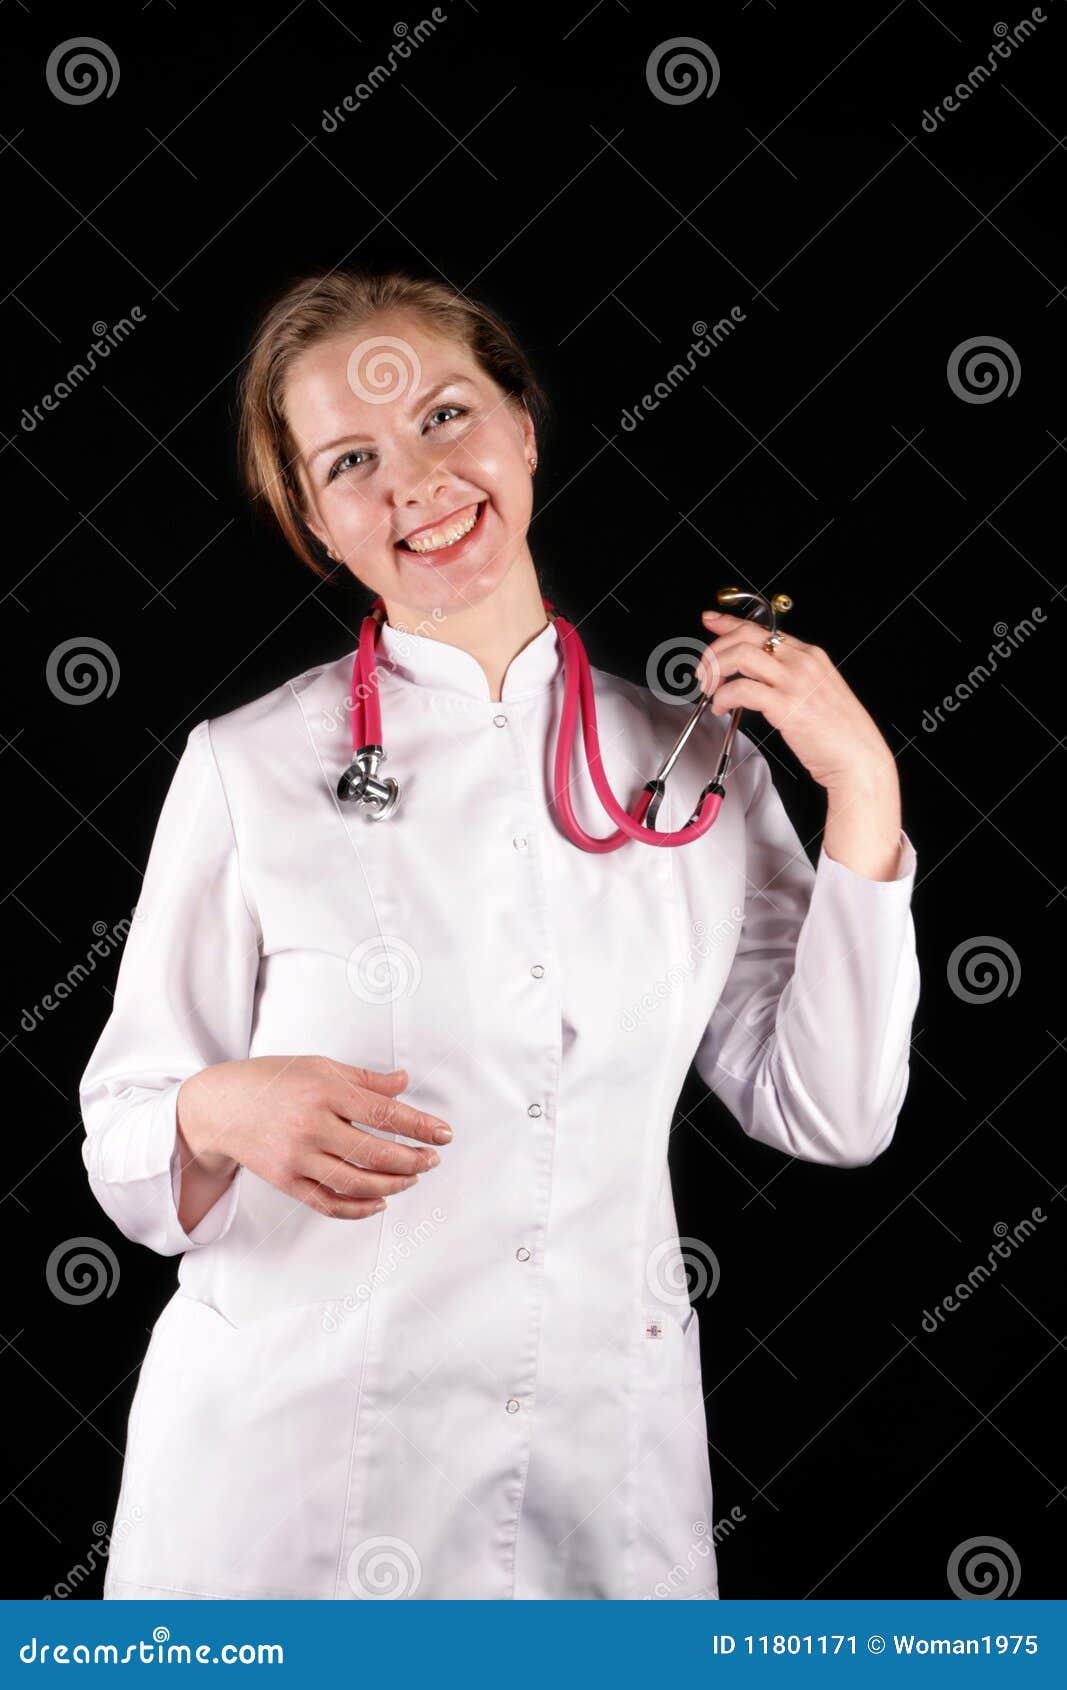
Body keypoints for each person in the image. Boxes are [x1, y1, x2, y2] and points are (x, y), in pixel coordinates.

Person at [79, 267, 920, 1601]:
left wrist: (864, 790)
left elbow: (831, 1109)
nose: (415, 479)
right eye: (352, 460)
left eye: (444, 415)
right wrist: (218, 1109)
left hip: (592, 1481)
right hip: (287, 1498)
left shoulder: (697, 766)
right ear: (316, 522)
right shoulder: (247, 766)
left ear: (522, 431)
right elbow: (123, 1137)